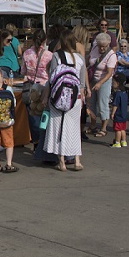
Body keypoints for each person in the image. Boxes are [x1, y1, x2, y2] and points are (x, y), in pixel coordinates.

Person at [43, 26, 89, 171]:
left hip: (58, 96)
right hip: (75, 97)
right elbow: (81, 82)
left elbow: (52, 78)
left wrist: (47, 96)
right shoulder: (80, 58)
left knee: (58, 127)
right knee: (74, 127)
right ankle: (77, 160)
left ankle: (61, 161)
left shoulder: (57, 56)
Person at [21, 28, 53, 154]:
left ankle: (36, 143)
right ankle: (45, 142)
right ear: (45, 40)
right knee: (45, 116)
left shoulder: (27, 53)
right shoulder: (49, 55)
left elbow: (23, 71)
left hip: (31, 88)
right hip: (45, 87)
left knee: (33, 116)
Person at [87, 32, 117, 137]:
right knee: (91, 103)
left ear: (108, 44)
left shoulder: (111, 55)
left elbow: (109, 73)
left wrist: (100, 83)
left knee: (102, 104)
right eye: (100, 46)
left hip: (104, 80)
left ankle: (104, 128)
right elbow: (89, 62)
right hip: (93, 79)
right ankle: (93, 125)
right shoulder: (95, 48)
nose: (102, 49)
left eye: (104, 46)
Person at [110, 74, 129, 148]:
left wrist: (112, 113)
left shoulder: (117, 94)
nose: (112, 84)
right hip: (124, 115)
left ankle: (117, 142)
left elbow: (115, 105)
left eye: (113, 82)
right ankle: (124, 141)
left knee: (118, 130)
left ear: (118, 83)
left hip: (118, 114)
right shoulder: (125, 93)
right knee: (123, 129)